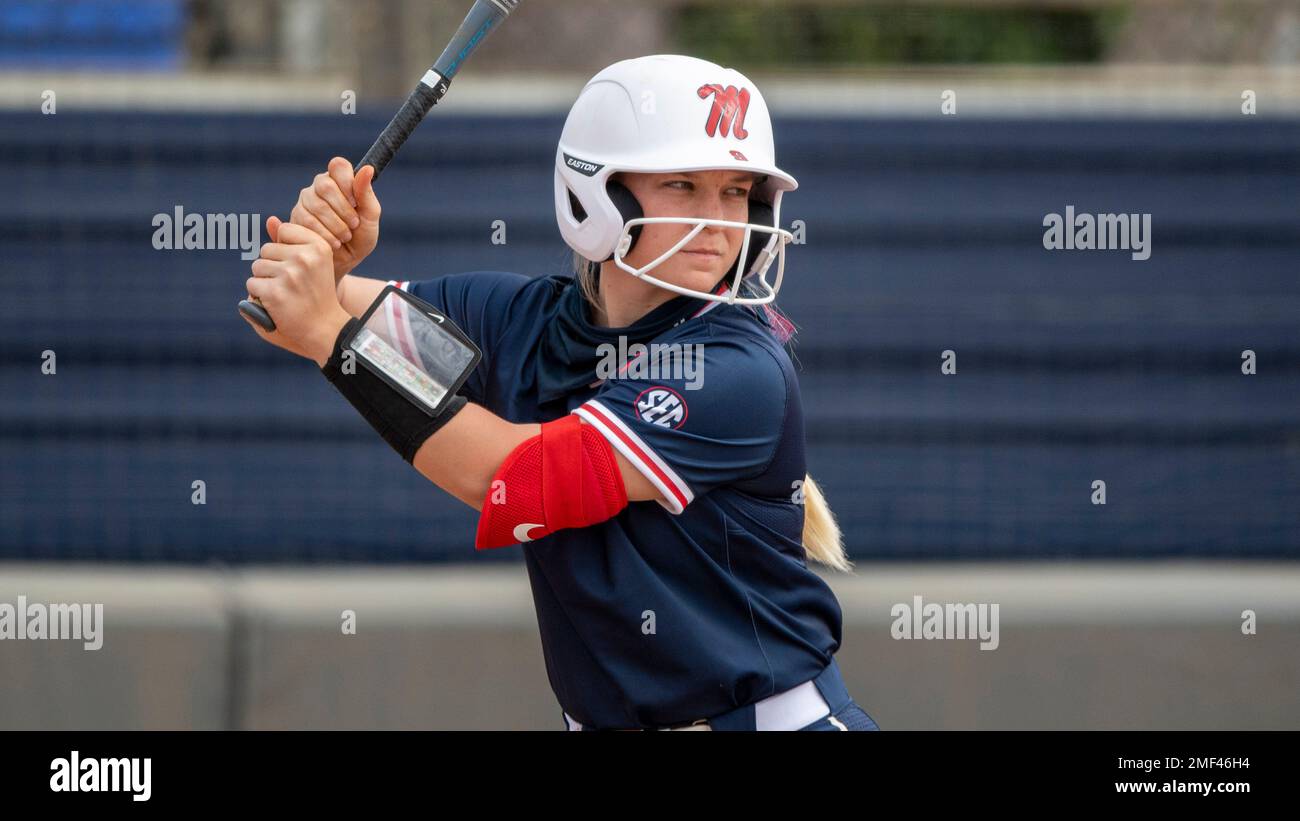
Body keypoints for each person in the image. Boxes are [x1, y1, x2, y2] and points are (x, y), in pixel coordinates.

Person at [241, 54, 879, 731]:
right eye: (683, 185)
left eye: (735, 191)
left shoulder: (736, 366)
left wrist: (328, 332)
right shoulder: (520, 321)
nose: (719, 220)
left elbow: (507, 478)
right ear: (595, 194)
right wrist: (324, 256)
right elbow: (291, 305)